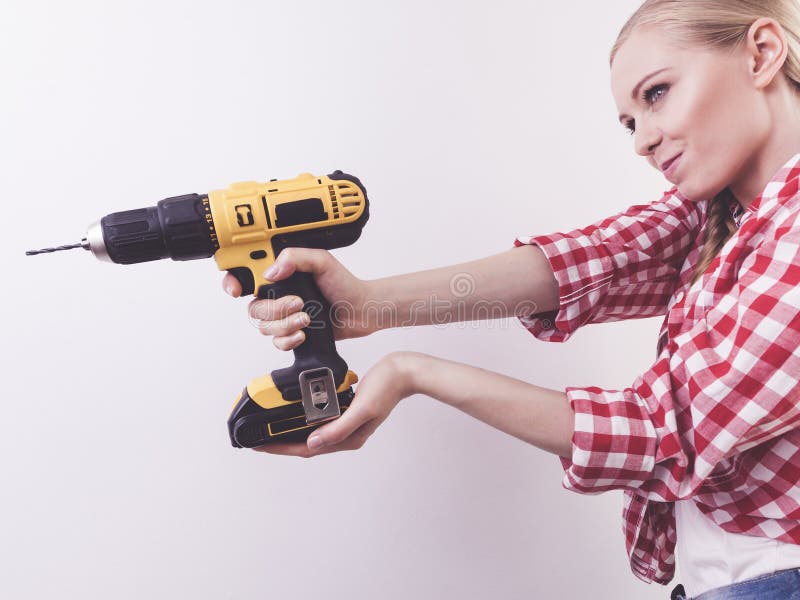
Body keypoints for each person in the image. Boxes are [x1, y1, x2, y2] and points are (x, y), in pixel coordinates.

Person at [223, 1, 800, 598]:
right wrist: (369, 305)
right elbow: (595, 261)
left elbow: (662, 428)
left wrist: (413, 372)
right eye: (630, 123)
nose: (644, 141)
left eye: (657, 93)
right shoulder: (724, 208)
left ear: (761, 54)